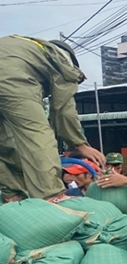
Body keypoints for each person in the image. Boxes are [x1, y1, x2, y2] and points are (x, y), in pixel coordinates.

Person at [0, 35, 105, 202]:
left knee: (4, 142)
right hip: (10, 80)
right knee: (38, 135)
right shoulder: (62, 60)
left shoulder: (28, 48)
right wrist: (80, 144)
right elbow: (63, 109)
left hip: (7, 74)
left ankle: (12, 194)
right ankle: (51, 195)